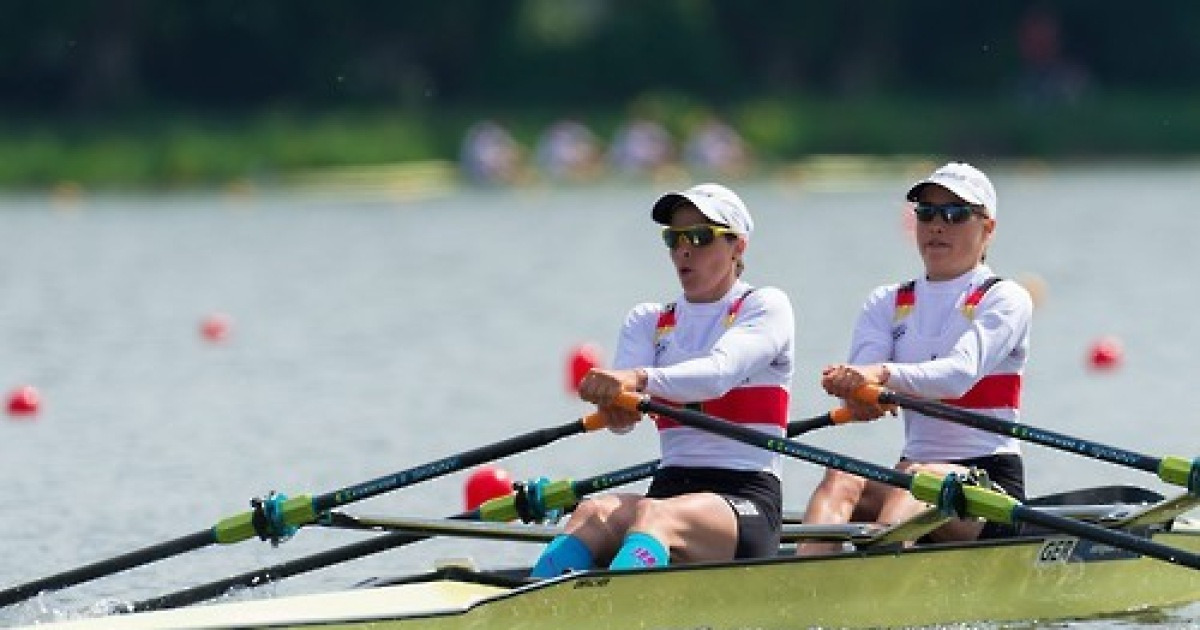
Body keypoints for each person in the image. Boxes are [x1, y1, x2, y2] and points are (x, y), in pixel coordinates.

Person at [530, 183, 795, 576]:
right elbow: (622, 423)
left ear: (738, 246)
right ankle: (526, 603)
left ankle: (611, 607)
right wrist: (615, 407)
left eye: (701, 237)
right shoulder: (648, 321)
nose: (683, 250)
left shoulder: (763, 306)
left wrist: (634, 379)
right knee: (592, 512)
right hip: (668, 491)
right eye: (673, 239)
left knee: (655, 516)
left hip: (743, 500)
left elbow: (718, 375)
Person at [797, 162, 1033, 555]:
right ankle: (802, 587)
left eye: (955, 214)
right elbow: (864, 385)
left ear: (987, 229)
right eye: (926, 213)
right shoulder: (886, 302)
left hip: (988, 485)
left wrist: (879, 375)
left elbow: (957, 375)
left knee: (921, 479)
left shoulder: (1003, 298)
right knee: (841, 477)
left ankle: (877, 580)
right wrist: (854, 393)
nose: (937, 225)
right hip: (912, 476)